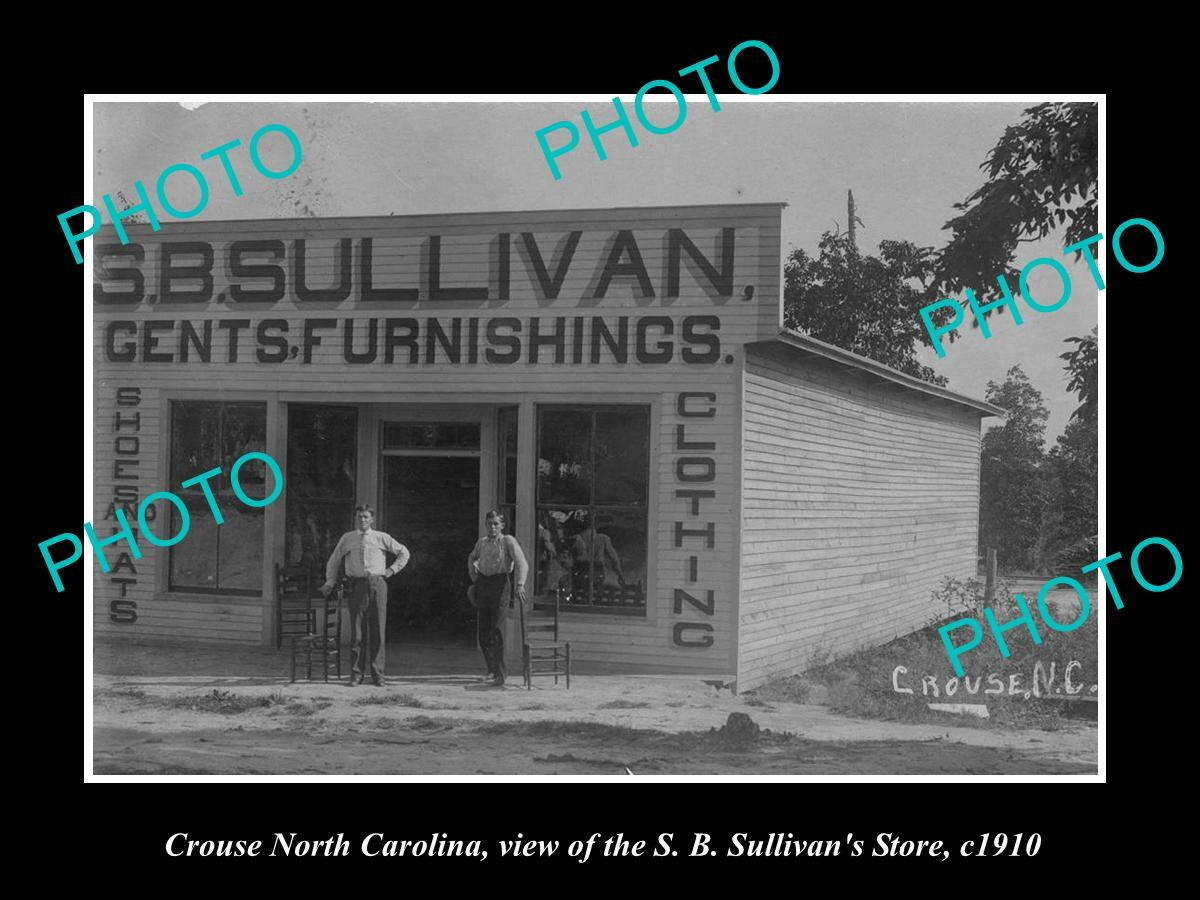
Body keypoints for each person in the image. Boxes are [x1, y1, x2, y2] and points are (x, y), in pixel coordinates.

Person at [321, 505, 409, 687]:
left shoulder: (381, 537)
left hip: (378, 584)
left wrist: (391, 570)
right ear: (356, 518)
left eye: (366, 517)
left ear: (372, 520)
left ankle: (378, 675)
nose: (362, 520)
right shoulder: (348, 538)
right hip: (356, 586)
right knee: (357, 633)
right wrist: (330, 581)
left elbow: (404, 553)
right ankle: (356, 674)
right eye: (359, 517)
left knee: (378, 631)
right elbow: (334, 561)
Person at [467, 510, 529, 686]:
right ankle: (491, 670)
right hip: (483, 584)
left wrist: (520, 584)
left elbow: (521, 562)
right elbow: (471, 558)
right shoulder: (482, 542)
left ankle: (501, 675)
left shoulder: (508, 541)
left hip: (501, 585)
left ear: (502, 525)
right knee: (483, 632)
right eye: (489, 524)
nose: (492, 527)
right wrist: (475, 577)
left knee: (496, 630)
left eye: (496, 524)